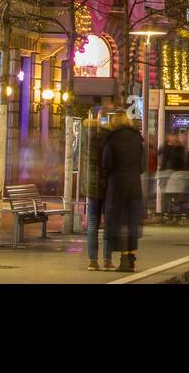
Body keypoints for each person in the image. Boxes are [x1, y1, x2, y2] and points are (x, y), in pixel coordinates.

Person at [102, 112, 146, 273]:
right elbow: (143, 166)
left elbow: (106, 164)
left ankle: (123, 259)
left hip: (117, 185)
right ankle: (131, 257)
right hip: (134, 185)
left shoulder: (111, 138)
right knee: (132, 221)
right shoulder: (137, 139)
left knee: (119, 221)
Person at [83, 111, 112, 270]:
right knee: (108, 223)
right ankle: (107, 259)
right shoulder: (107, 138)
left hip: (91, 187)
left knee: (93, 224)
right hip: (106, 186)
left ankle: (92, 261)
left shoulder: (86, 140)